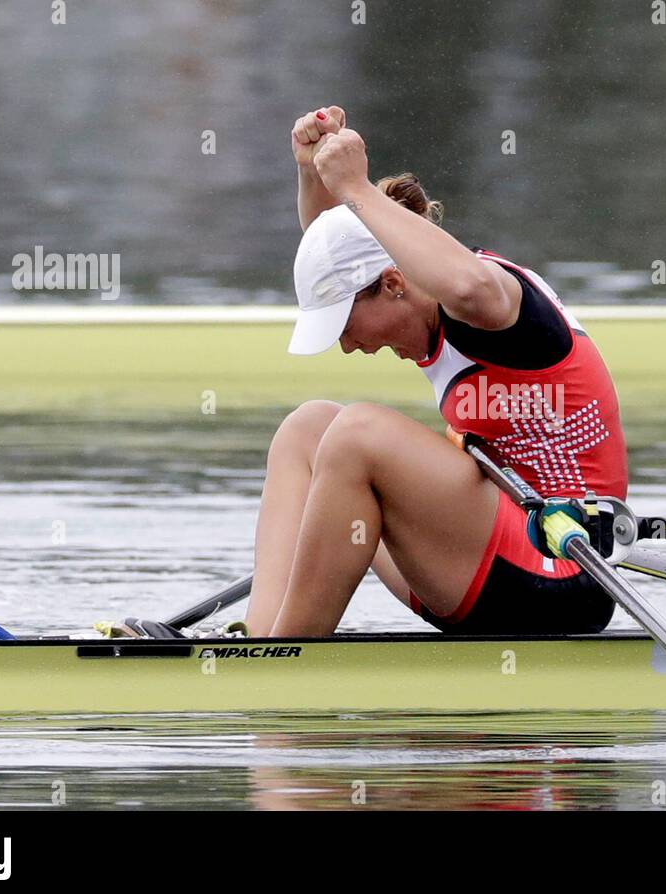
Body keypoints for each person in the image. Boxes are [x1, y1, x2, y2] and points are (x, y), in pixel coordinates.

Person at [246, 106, 628, 638]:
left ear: (396, 284)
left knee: (359, 433)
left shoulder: (485, 306)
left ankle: (288, 660)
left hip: (561, 569)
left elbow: (467, 286)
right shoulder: (411, 288)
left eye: (346, 324)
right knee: (307, 429)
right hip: (481, 559)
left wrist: (356, 186)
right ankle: (262, 641)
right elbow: (340, 252)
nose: (351, 346)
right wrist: (314, 173)